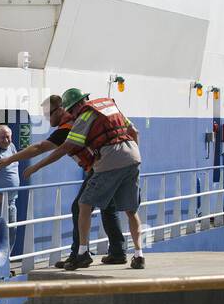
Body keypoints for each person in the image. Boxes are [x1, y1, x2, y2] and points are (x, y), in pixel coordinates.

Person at [0, 96, 126, 266]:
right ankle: (117, 252)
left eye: (48, 114)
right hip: (107, 164)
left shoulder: (68, 128)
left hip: (98, 168)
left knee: (79, 207)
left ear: (60, 110)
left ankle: (80, 254)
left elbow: (40, 147)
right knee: (108, 207)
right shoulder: (73, 123)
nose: (47, 118)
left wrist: (11, 159)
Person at [24, 88, 144, 270]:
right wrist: (134, 156)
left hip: (110, 161)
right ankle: (138, 254)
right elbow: (134, 131)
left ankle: (82, 253)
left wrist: (36, 166)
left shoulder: (85, 116)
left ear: (78, 105)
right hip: (133, 157)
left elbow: (67, 147)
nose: (71, 114)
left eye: (71, 110)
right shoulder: (109, 106)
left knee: (83, 205)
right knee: (130, 210)